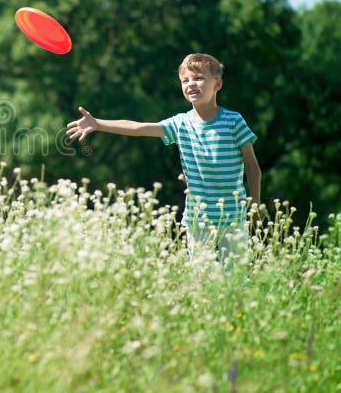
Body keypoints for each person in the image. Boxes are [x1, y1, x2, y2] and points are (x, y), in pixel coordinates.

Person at [66, 53, 261, 262]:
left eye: (198, 78)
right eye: (185, 80)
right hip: (197, 219)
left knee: (236, 278)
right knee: (202, 279)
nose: (191, 84)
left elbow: (252, 167)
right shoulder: (180, 124)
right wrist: (98, 124)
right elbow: (138, 128)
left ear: (218, 84)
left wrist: (255, 205)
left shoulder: (234, 121)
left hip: (233, 217)